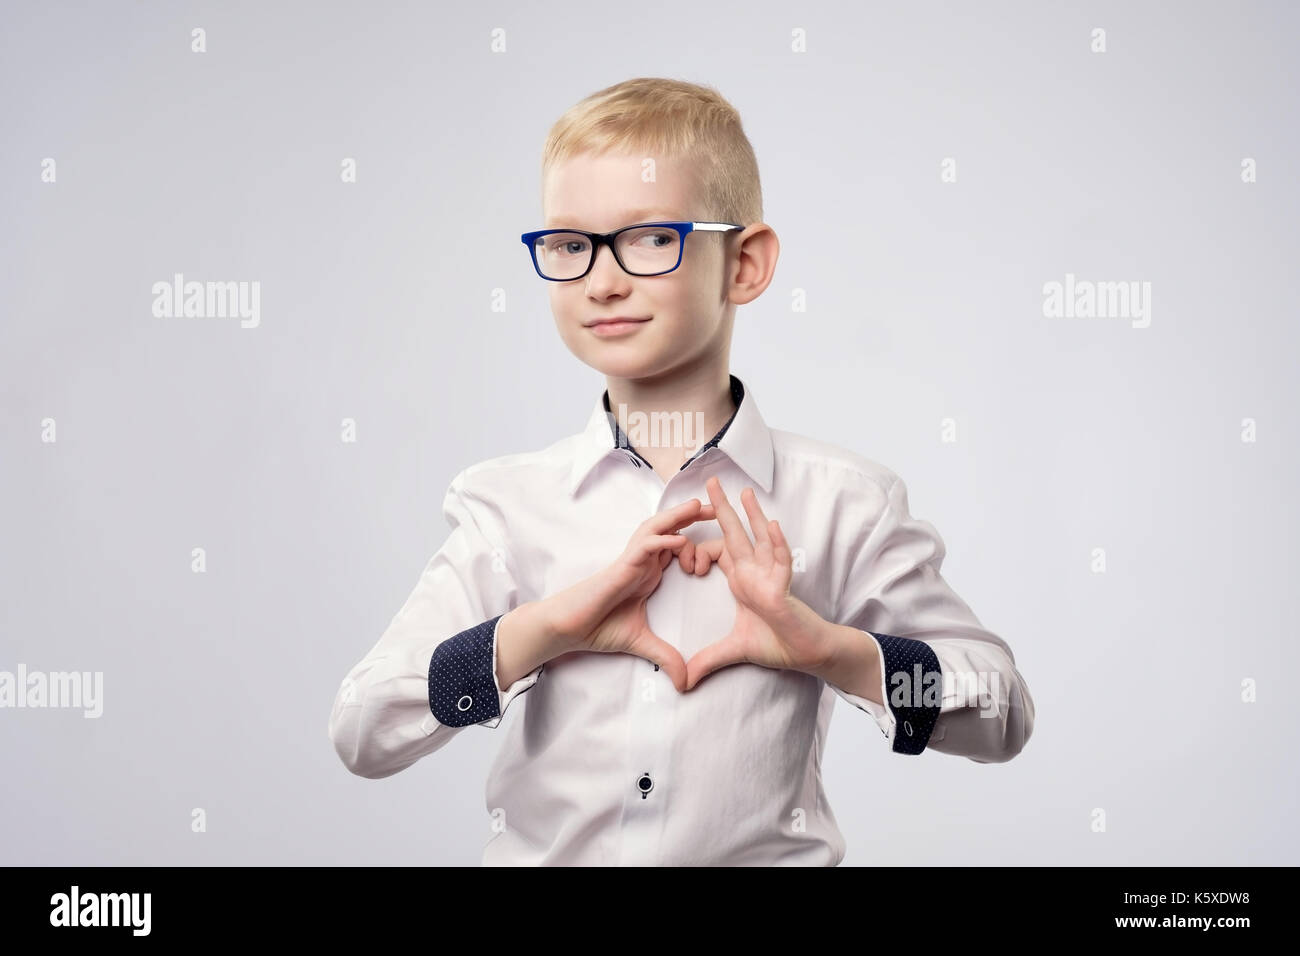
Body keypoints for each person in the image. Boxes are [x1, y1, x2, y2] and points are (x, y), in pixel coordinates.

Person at [328, 77, 1035, 866]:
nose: (601, 280)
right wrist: (542, 633)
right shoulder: (508, 506)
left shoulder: (846, 503)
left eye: (649, 238)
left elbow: (1002, 715)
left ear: (745, 264)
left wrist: (828, 650)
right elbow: (363, 729)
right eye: (569, 244)